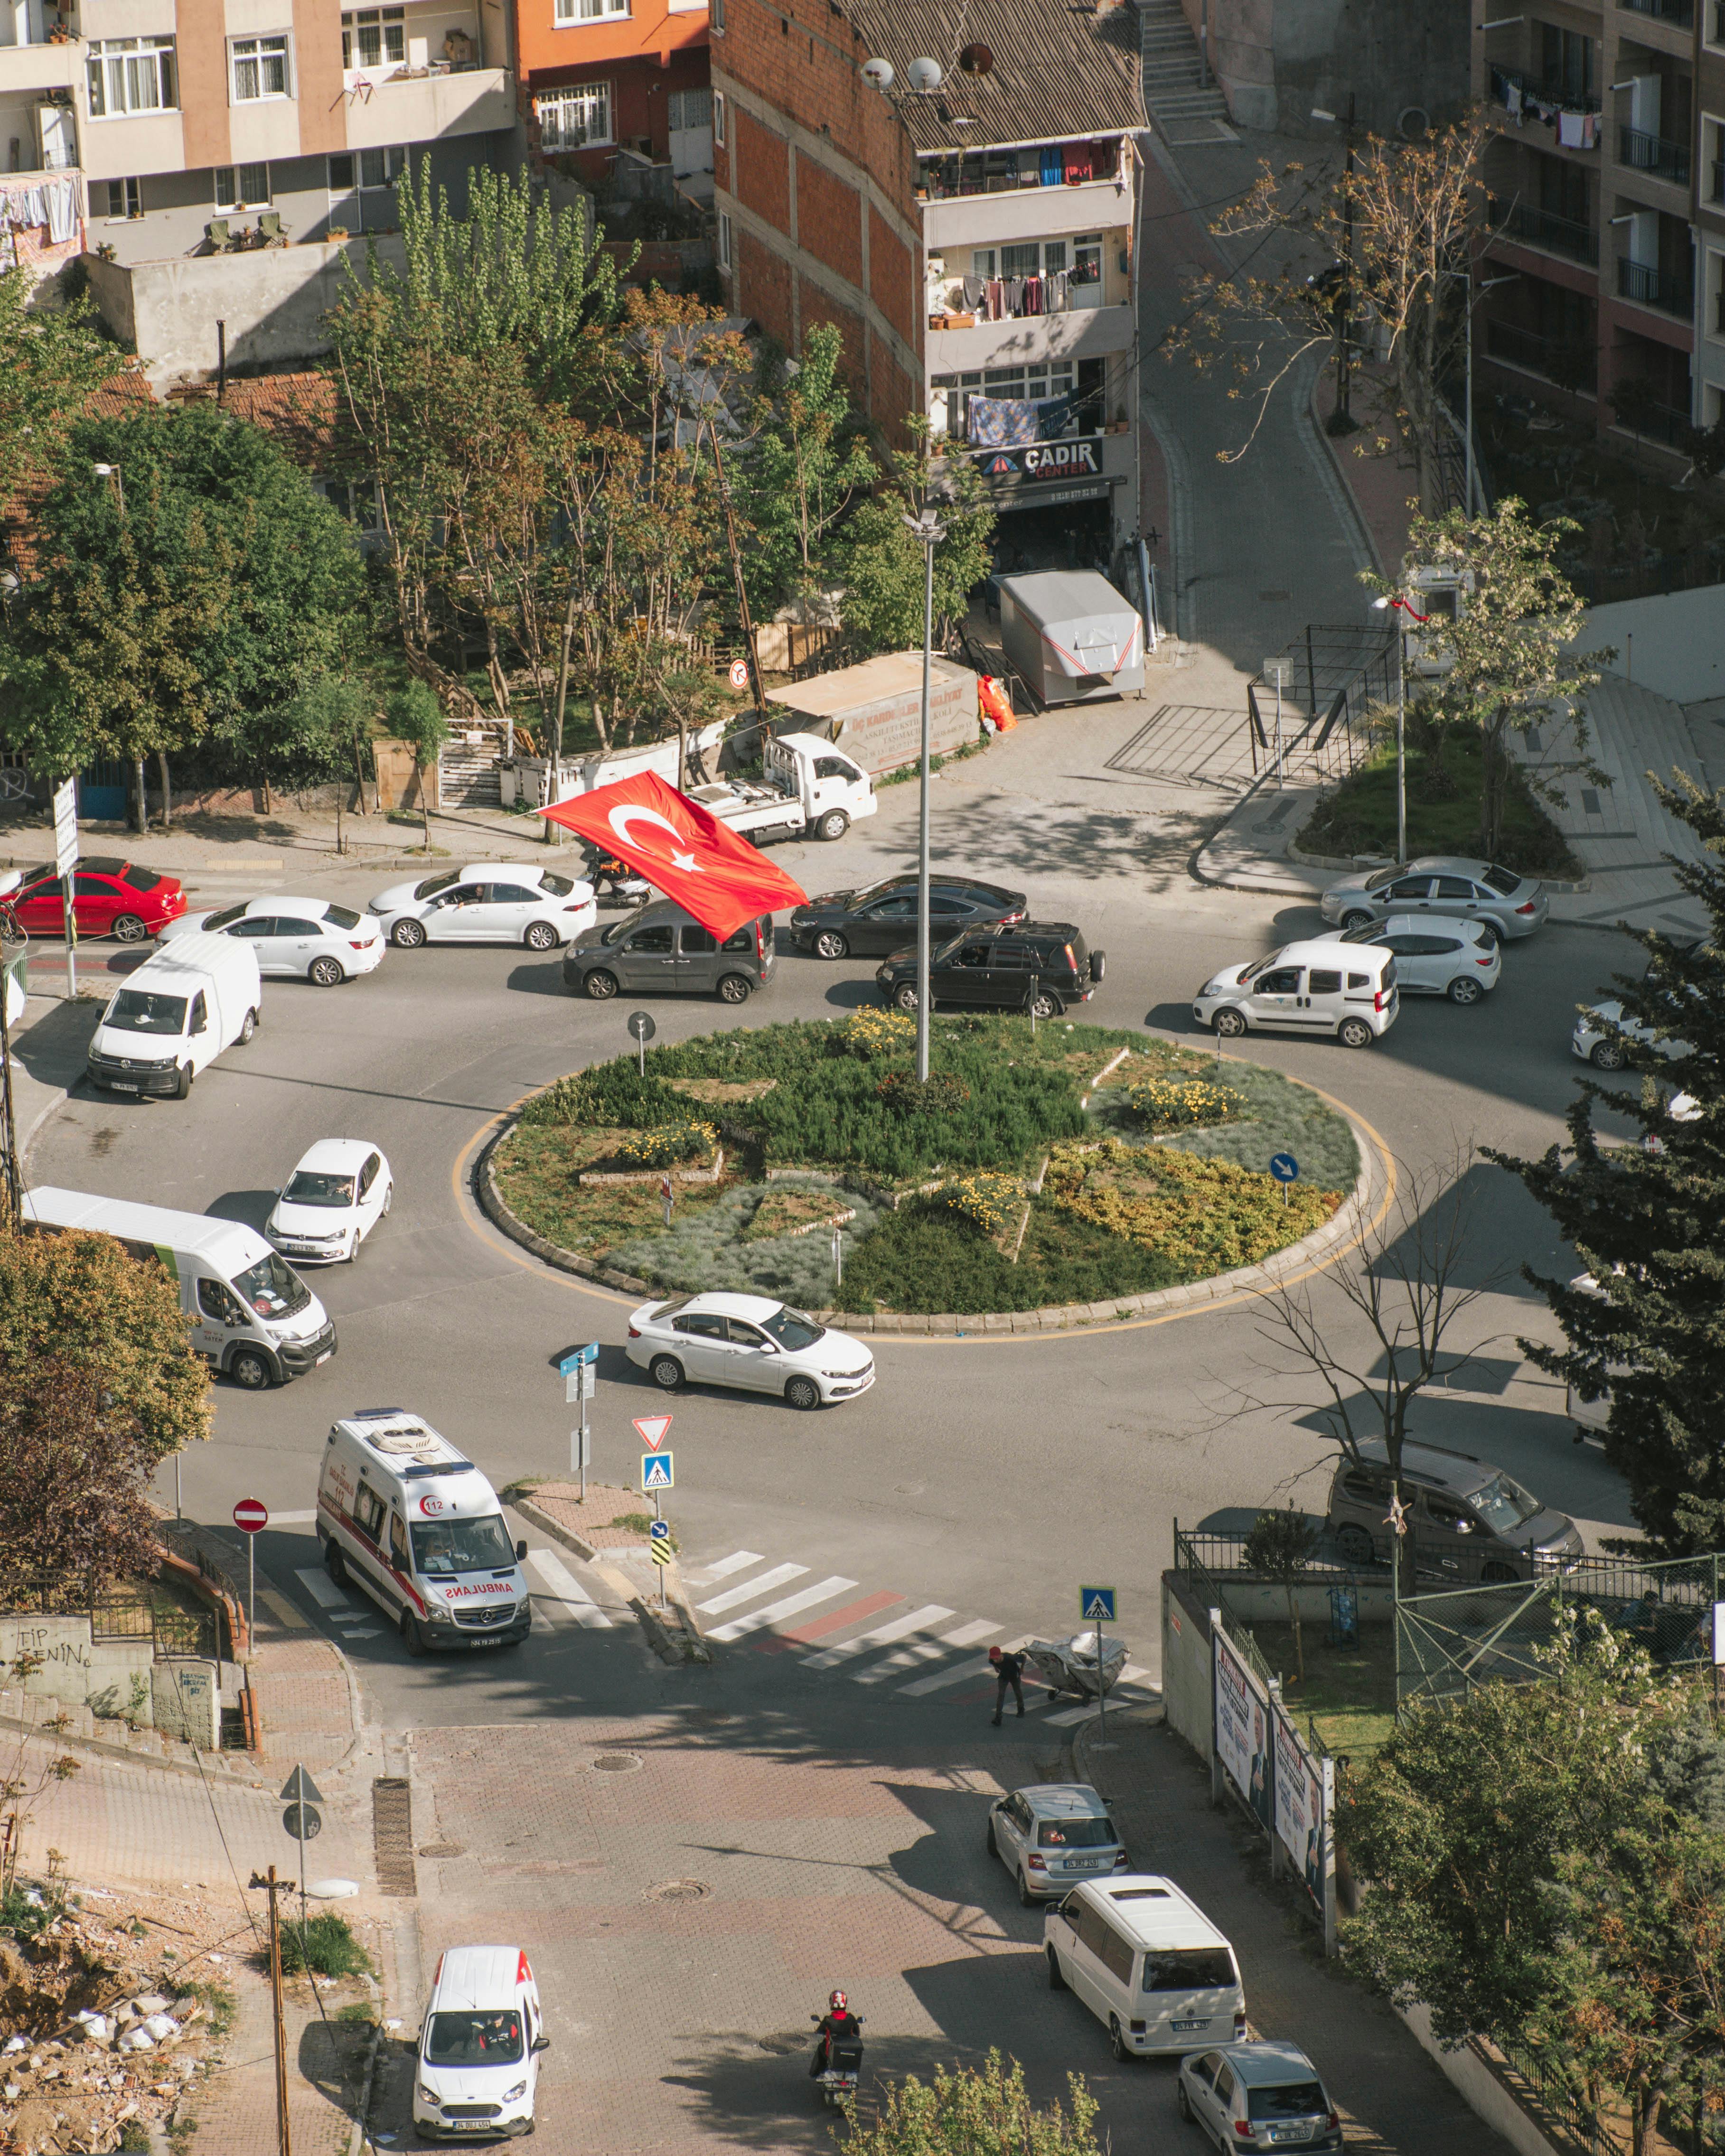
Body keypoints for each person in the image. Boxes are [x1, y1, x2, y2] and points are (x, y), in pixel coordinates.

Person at [809, 1990, 860, 2078]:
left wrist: (818, 2031)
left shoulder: (828, 2020)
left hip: (832, 2049)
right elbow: (857, 2033)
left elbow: (820, 2031)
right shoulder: (851, 2018)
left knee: (821, 2047)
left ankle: (816, 2074)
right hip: (849, 2048)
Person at [989, 1643, 1025, 1724]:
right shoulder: (992, 1659)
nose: (995, 1660)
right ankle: (998, 1717)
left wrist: (1022, 1669)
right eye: (993, 1659)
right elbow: (991, 1662)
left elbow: (1024, 1657)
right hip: (1004, 1676)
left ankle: (1021, 1709)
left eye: (996, 1658)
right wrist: (996, 1668)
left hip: (1014, 1676)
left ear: (1000, 1655)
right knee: (1001, 1695)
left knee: (1018, 1692)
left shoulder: (1010, 1658)